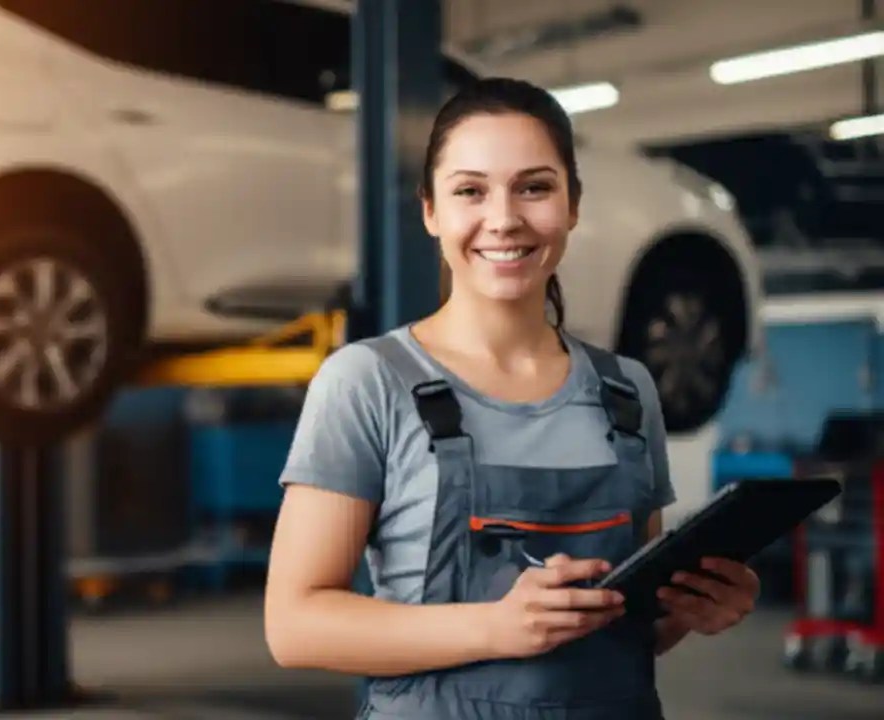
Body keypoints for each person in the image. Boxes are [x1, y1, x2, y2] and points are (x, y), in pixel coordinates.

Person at [263, 77, 761, 719]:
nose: (503, 219)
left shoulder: (628, 393)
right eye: (470, 190)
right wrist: (495, 629)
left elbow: (626, 631)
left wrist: (691, 611)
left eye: (535, 187)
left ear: (573, 204)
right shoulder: (367, 382)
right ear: (431, 212)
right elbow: (295, 625)